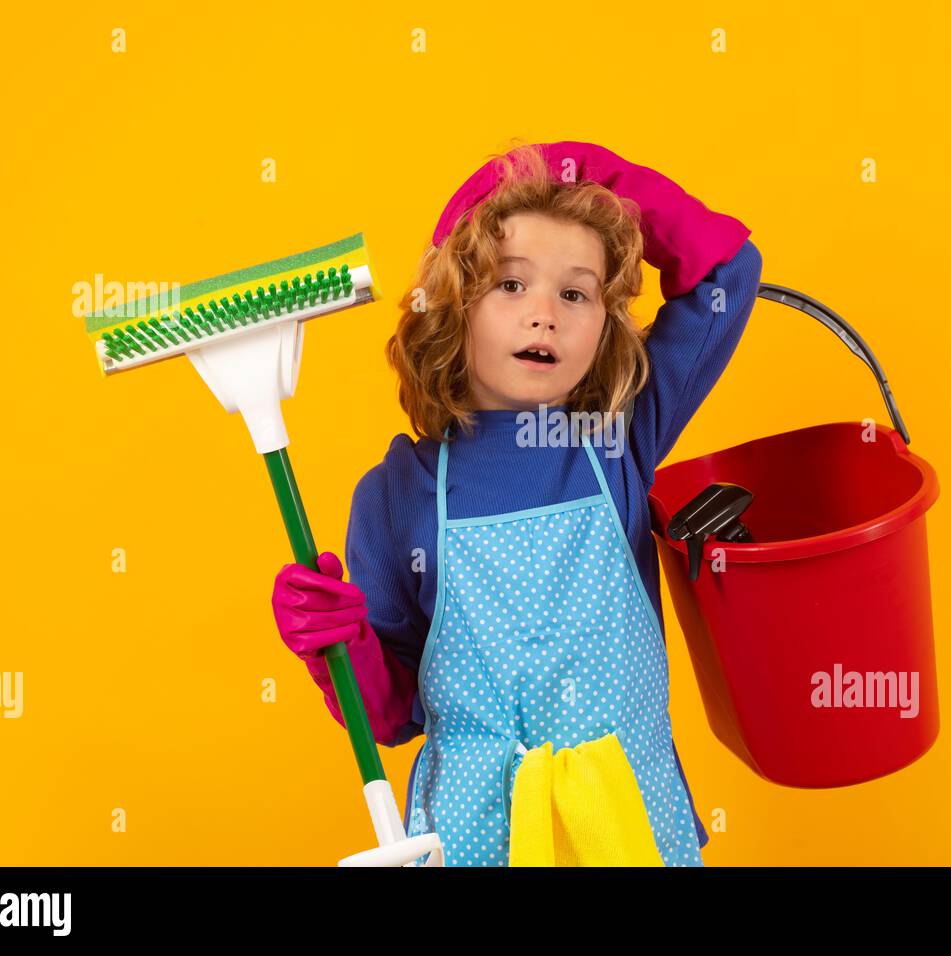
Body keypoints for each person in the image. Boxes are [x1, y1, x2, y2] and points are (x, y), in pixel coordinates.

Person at [272, 141, 762, 866]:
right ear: (452, 307)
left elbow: (729, 271)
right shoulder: (398, 491)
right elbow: (389, 713)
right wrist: (337, 650)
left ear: (603, 325)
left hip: (627, 835)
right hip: (472, 843)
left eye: (576, 292)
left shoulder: (617, 439)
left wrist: (578, 170)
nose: (545, 315)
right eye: (509, 285)